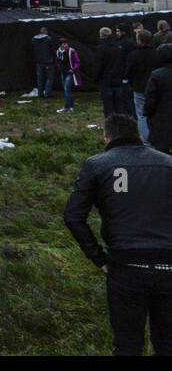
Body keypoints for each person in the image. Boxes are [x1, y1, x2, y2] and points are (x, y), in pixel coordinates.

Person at [64, 113, 172, 355]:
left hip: (125, 263)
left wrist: (98, 257)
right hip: (167, 262)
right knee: (167, 342)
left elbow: (73, 216)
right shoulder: (167, 163)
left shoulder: (98, 164)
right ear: (139, 135)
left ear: (107, 137)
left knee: (127, 344)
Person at [128, 30, 158, 142]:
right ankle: (156, 136)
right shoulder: (157, 53)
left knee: (141, 114)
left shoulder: (134, 55)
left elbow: (129, 72)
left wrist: (131, 83)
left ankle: (146, 140)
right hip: (155, 87)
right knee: (156, 112)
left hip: (139, 87)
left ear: (139, 41)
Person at [144, 43, 172, 154]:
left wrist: (147, 112)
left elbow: (151, 97)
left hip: (161, 117)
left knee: (161, 152)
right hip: (162, 115)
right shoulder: (157, 74)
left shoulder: (157, 75)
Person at [56, 38, 81, 114]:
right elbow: (58, 61)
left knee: (67, 89)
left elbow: (77, 62)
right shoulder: (58, 52)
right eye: (64, 44)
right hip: (63, 73)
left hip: (70, 73)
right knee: (67, 90)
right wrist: (59, 67)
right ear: (61, 45)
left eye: (66, 43)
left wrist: (73, 69)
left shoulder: (72, 51)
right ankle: (69, 107)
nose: (66, 45)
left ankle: (69, 107)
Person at [29, 27, 55, 99]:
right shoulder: (49, 39)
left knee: (40, 78)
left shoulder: (33, 39)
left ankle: (40, 94)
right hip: (48, 61)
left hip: (38, 62)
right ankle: (47, 93)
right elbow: (52, 49)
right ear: (46, 32)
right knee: (49, 78)